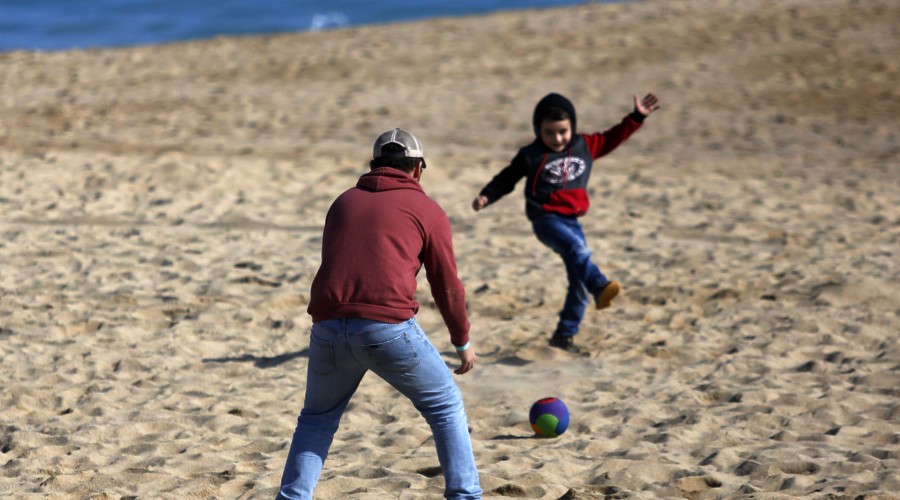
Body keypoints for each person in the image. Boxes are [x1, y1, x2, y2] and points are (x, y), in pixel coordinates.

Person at [277, 129, 482, 499]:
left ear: (374, 166)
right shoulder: (427, 210)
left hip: (327, 325)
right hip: (386, 328)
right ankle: (465, 495)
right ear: (417, 169)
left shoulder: (342, 202)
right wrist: (461, 340)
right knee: (446, 406)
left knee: (317, 420)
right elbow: (447, 286)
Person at [472, 92, 660, 354]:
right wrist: (487, 196)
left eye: (563, 131)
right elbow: (507, 178)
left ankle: (564, 336)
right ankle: (599, 285)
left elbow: (613, 137)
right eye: (549, 133)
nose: (557, 138)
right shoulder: (531, 155)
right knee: (579, 251)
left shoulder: (585, 145)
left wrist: (637, 117)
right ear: (538, 130)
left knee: (578, 281)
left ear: (572, 126)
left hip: (573, 221)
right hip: (546, 219)